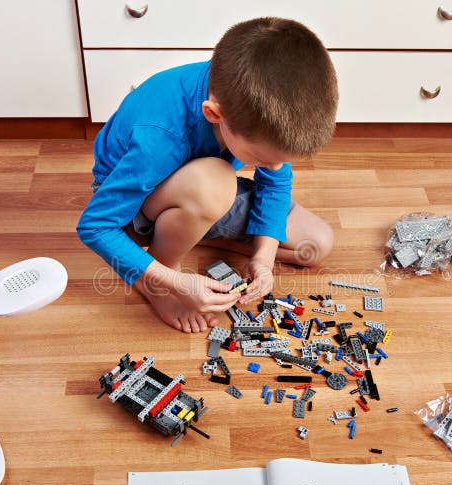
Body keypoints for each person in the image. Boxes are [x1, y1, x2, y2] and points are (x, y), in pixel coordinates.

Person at [77, 17, 338, 333]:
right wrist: (174, 282)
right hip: (133, 205)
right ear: (214, 115)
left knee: (316, 243)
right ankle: (156, 280)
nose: (271, 167)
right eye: (261, 159)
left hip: (198, 190)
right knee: (215, 180)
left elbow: (276, 179)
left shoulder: (250, 100)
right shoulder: (158, 137)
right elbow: (94, 226)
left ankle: (193, 228)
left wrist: (264, 260)